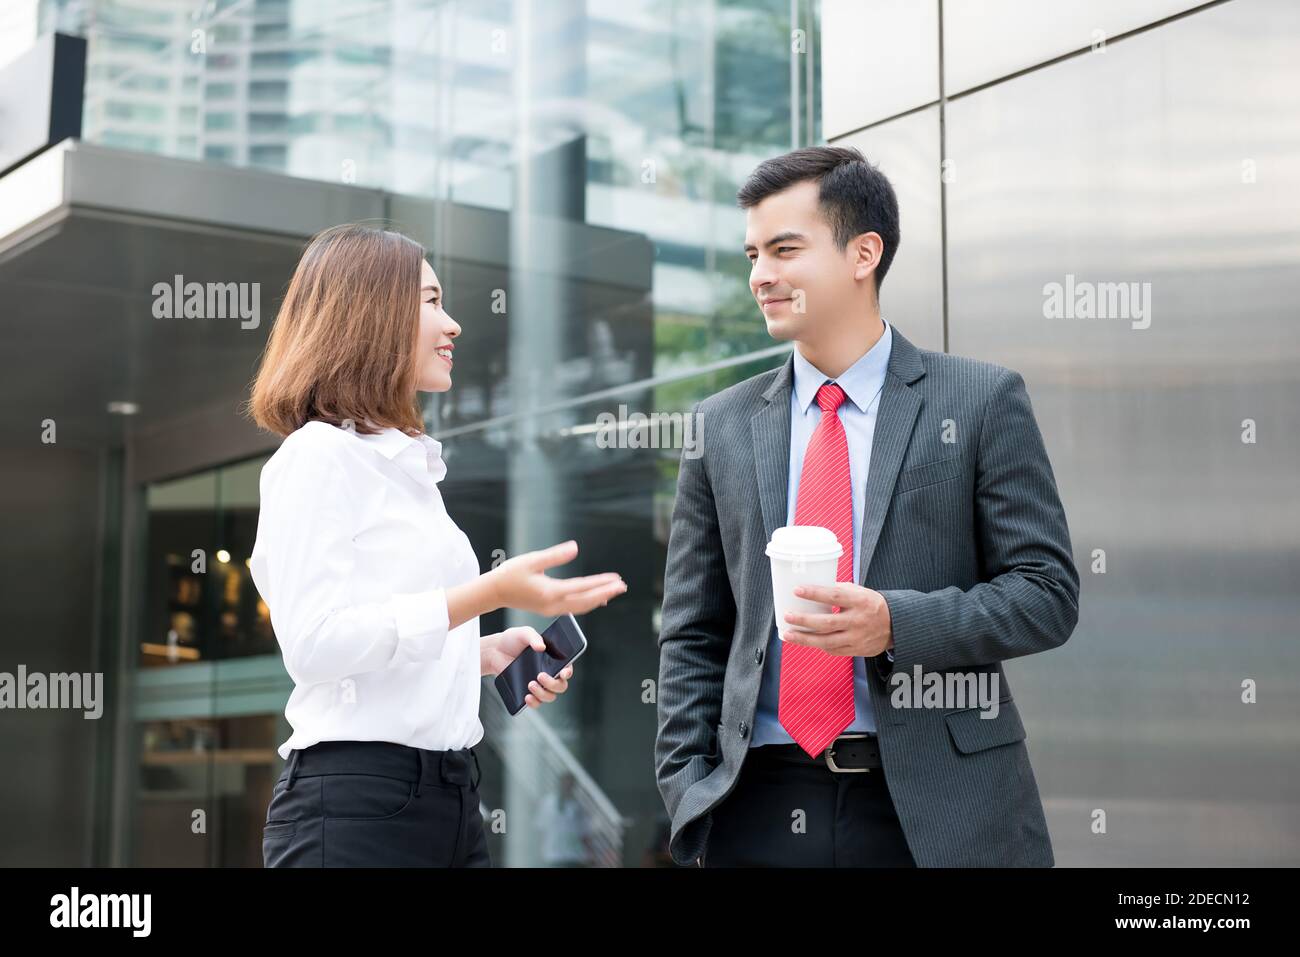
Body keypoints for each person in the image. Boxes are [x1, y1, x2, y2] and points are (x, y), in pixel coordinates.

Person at [654, 146, 1080, 867]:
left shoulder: (978, 401)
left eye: (786, 249)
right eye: (753, 253)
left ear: (863, 253)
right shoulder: (721, 426)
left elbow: (1046, 594)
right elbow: (693, 628)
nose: (761, 276)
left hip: (935, 809)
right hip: (755, 804)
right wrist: (688, 785)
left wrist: (894, 623)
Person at [246, 223, 627, 867]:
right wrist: (490, 592)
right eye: (430, 301)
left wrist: (476, 653)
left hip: (449, 796)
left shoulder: (405, 467)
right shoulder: (316, 456)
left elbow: (380, 636)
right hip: (357, 807)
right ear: (369, 316)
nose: (452, 325)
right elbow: (314, 646)